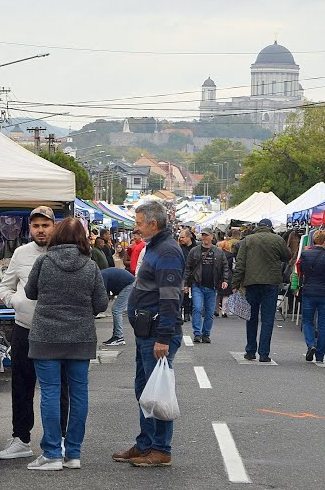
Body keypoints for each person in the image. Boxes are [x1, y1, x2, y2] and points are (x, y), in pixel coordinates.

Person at [23, 218, 109, 470]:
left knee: (50, 392)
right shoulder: (90, 266)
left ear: (57, 235)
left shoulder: (44, 261)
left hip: (46, 336)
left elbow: (30, 292)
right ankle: (73, 454)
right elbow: (102, 303)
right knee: (79, 393)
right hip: (80, 337)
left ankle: (51, 453)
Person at [112, 198, 184, 468]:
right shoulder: (156, 247)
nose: (136, 227)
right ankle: (146, 444)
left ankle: (160, 448)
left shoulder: (166, 251)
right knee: (145, 390)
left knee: (158, 392)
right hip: (148, 331)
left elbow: (170, 297)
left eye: (139, 223)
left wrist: (163, 337)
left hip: (156, 333)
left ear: (154, 223)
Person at [0, 207, 70, 459]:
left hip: (56, 332)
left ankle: (58, 438)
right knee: (22, 384)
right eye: (36, 225)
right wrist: (14, 301)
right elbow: (5, 286)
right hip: (25, 328)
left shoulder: (66, 253)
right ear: (30, 228)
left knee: (59, 387)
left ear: (54, 226)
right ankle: (21, 438)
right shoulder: (20, 253)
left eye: (45, 225)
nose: (41, 230)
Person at [230, 218, 291, 362]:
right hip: (271, 284)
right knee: (268, 319)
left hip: (251, 283)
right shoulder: (277, 239)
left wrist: (235, 283)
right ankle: (264, 353)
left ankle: (250, 350)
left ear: (258, 227)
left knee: (251, 317)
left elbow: (240, 264)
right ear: (270, 227)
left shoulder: (247, 240)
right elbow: (287, 256)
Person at [297, 229, 325, 362]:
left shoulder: (305, 254)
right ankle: (320, 355)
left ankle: (311, 344)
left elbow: (302, 274)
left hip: (309, 292)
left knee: (307, 321)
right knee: (323, 324)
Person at [184, 230, 229, 343]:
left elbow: (225, 267)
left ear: (212, 237)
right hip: (197, 285)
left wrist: (225, 280)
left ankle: (206, 334)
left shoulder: (218, 252)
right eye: (203, 235)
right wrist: (186, 284)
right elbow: (188, 268)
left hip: (212, 286)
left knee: (209, 312)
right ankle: (197, 333)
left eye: (206, 235)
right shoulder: (195, 251)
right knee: (197, 308)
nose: (204, 238)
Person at [101, 266, 135, 346]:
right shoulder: (102, 274)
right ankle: (116, 335)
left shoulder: (101, 277)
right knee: (117, 309)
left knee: (116, 309)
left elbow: (102, 295)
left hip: (128, 284)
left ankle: (119, 337)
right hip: (129, 282)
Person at [177, 228, 196, 323]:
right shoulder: (180, 248)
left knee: (192, 295)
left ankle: (190, 312)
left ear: (189, 237)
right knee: (184, 294)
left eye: (183, 237)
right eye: (180, 237)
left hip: (195, 274)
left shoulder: (196, 247)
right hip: (183, 273)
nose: (181, 239)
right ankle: (184, 313)